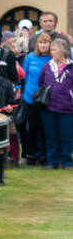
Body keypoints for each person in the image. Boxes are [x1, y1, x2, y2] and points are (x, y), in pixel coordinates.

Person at [39, 35, 73, 169]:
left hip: (67, 107)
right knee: (51, 136)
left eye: (55, 50)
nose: (52, 52)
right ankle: (52, 161)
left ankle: (67, 162)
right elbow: (41, 82)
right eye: (52, 50)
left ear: (63, 51)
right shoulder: (47, 66)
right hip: (49, 107)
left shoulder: (71, 67)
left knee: (66, 136)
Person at [21, 30, 52, 165]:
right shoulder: (30, 57)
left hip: (47, 97)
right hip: (31, 96)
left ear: (50, 45)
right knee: (32, 127)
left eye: (46, 43)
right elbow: (24, 75)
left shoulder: (52, 58)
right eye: (41, 43)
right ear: (37, 44)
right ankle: (31, 154)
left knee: (45, 127)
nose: (43, 45)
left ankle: (44, 155)